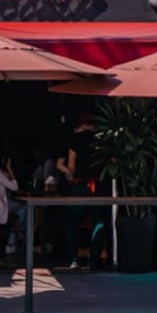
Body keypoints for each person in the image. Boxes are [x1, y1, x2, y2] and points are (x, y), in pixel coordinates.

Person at [57, 112, 106, 270]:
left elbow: (71, 168)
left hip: (80, 186)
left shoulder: (75, 139)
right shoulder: (101, 139)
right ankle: (94, 259)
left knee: (71, 222)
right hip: (98, 185)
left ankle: (74, 258)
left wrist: (64, 170)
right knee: (99, 222)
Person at [0, 149, 27, 255]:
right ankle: (18, 236)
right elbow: (15, 187)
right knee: (25, 207)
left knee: (21, 212)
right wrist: (9, 168)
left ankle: (13, 241)